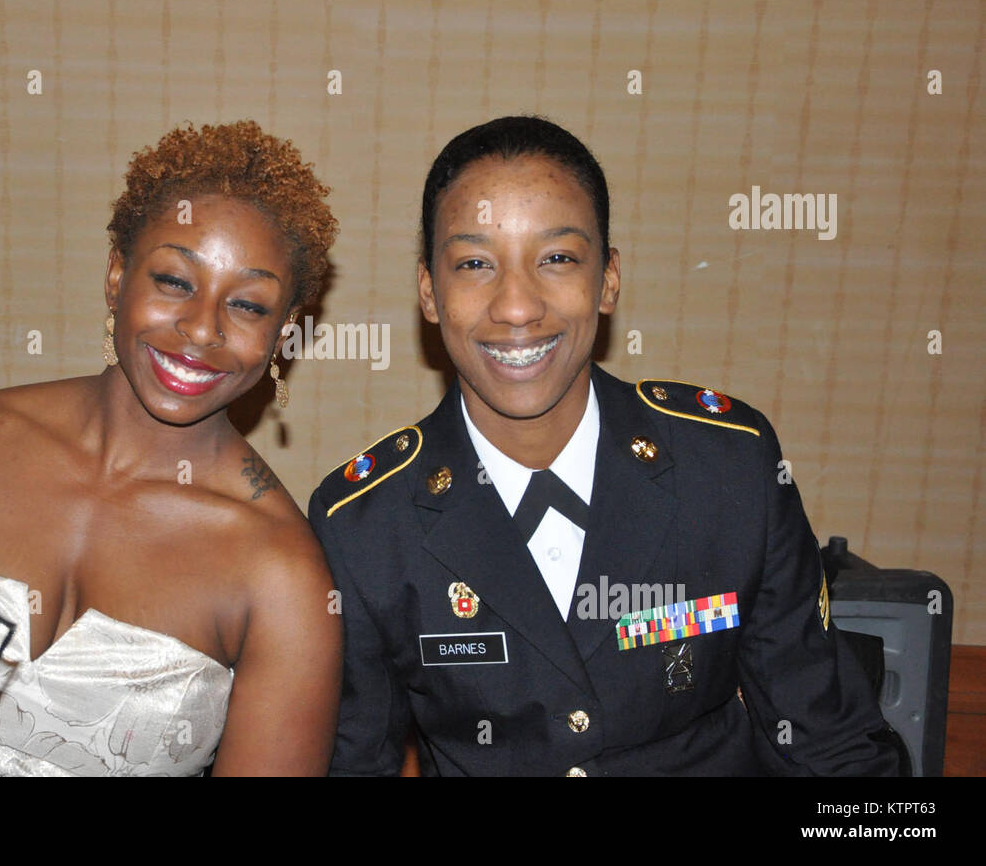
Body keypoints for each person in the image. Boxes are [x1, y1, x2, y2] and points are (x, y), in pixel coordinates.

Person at [308, 115, 900, 776]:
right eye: (475, 264)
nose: (517, 307)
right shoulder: (367, 524)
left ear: (609, 278)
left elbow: (829, 745)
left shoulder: (728, 467)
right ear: (428, 291)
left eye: (557, 258)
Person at [0, 121, 343, 776]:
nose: (202, 328)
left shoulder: (284, 575)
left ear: (284, 332)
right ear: (117, 275)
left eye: (248, 305)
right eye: (174, 280)